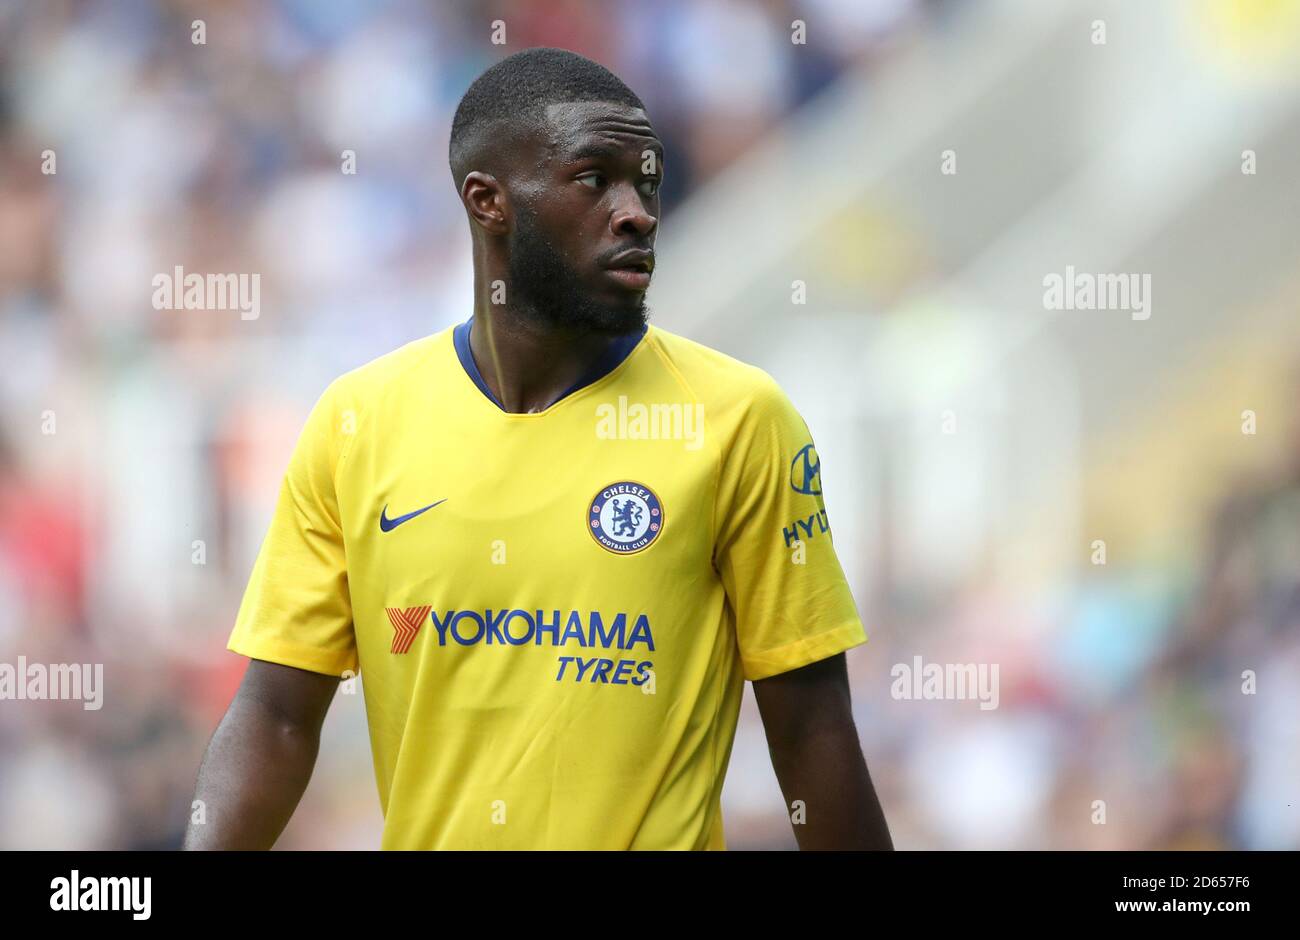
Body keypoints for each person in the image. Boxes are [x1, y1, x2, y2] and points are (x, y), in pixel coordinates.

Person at [184, 47, 892, 850]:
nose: (638, 211)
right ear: (489, 202)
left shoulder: (738, 420)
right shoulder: (360, 422)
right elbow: (277, 716)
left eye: (648, 181)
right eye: (596, 179)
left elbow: (813, 733)